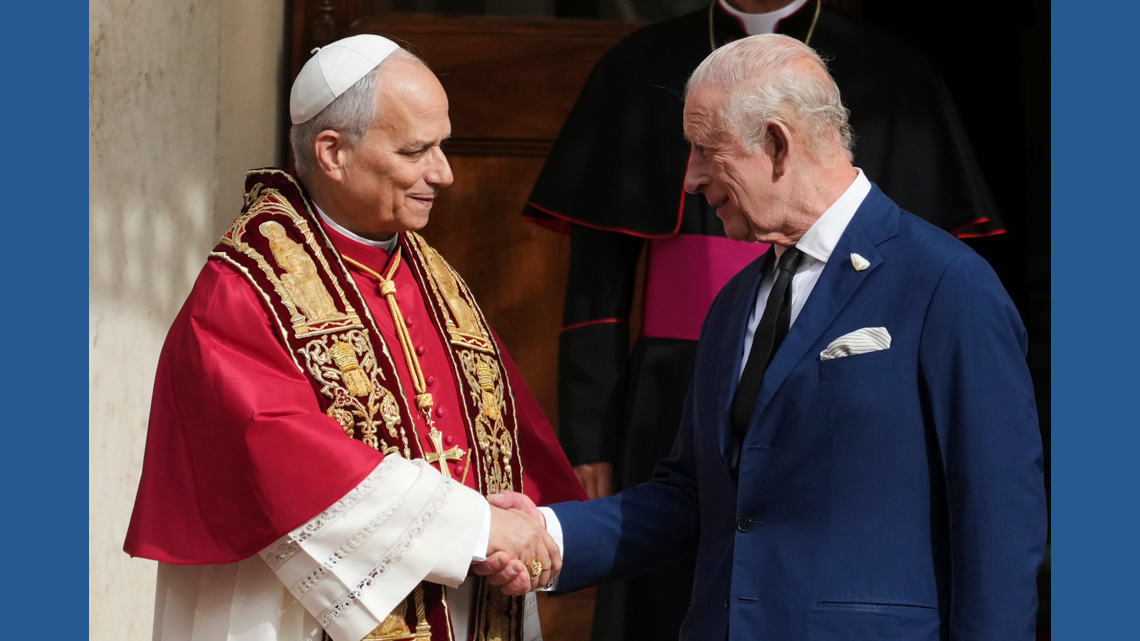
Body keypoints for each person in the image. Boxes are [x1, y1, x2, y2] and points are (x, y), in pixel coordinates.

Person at [485, 33, 1046, 641]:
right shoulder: (734, 301)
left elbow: (1000, 520)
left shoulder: (945, 282)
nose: (692, 177)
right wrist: (551, 533)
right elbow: (693, 494)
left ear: (777, 143)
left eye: (705, 148)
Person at [124, 35, 584, 641]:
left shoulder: (429, 273)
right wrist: (472, 528)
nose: (443, 174)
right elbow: (277, 447)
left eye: (442, 146)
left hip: (464, 602)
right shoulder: (246, 285)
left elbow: (505, 440)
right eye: (416, 151)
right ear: (333, 152)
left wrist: (516, 529)